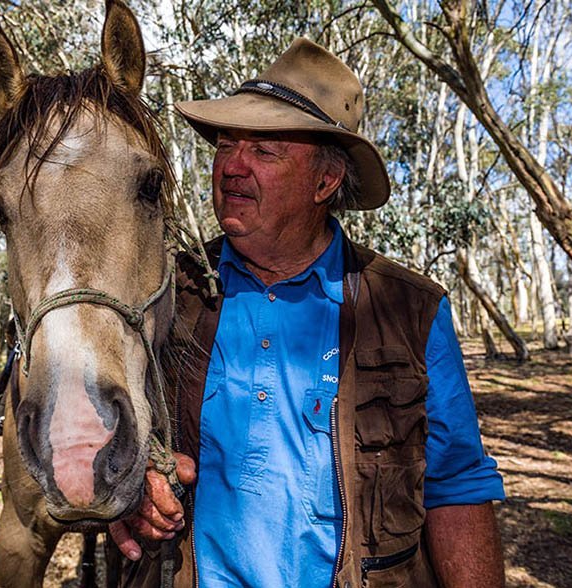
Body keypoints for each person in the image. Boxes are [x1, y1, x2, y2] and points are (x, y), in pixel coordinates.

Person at [108, 38, 505, 588]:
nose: (231, 167)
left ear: (326, 181)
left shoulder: (410, 310)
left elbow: (456, 484)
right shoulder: (164, 289)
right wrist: (130, 487)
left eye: (265, 150)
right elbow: (96, 419)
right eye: (226, 144)